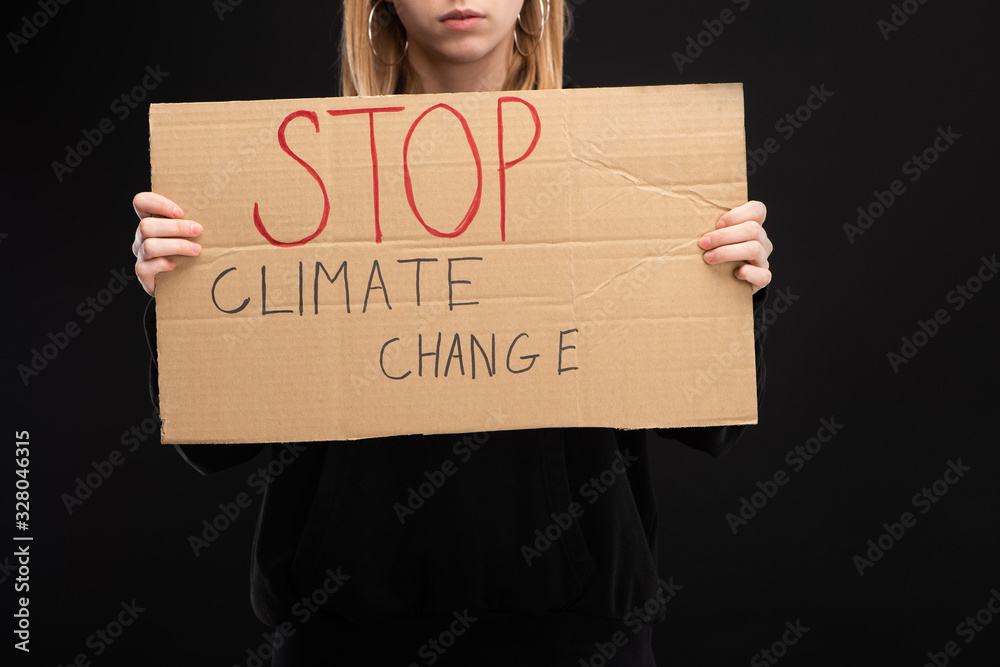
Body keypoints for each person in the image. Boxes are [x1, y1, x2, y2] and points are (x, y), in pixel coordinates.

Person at [131, 1, 773, 664]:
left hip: (577, 638)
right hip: (345, 640)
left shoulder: (628, 163)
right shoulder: (284, 174)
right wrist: (178, 291)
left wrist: (731, 283)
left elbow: (710, 425)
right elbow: (212, 445)